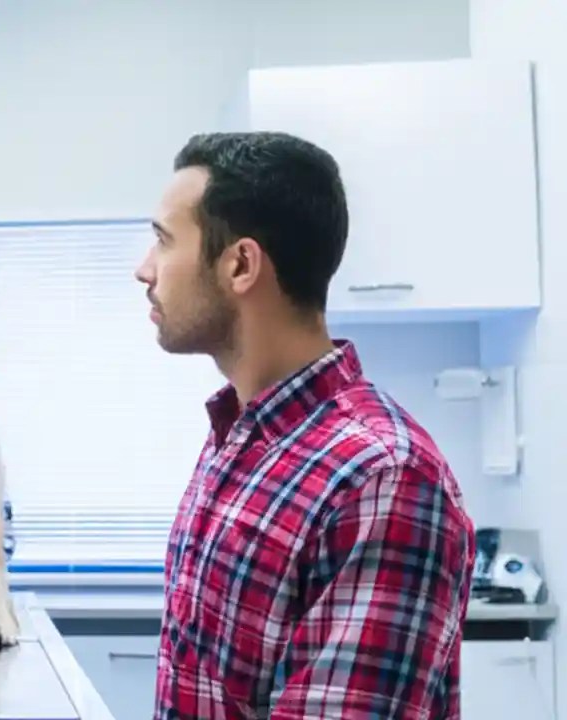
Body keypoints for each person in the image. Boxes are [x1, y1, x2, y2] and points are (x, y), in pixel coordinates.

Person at [135, 131, 476, 719]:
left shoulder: (383, 478)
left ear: (241, 264)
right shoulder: (237, 435)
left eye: (163, 242)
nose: (144, 270)